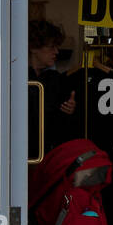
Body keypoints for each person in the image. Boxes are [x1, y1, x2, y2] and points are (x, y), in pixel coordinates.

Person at [28, 18, 77, 153]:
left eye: (57, 47)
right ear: (33, 48)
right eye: (51, 47)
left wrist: (69, 111)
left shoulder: (58, 80)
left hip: (48, 155)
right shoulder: (14, 78)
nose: (56, 52)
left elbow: (63, 128)